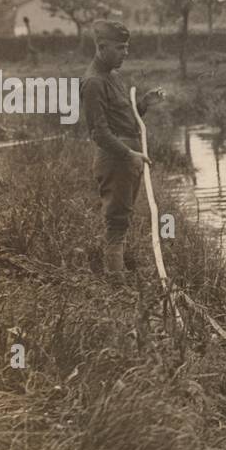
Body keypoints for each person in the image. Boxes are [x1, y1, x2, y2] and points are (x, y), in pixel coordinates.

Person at [79, 19, 165, 278]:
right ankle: (116, 282)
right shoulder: (94, 82)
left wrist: (144, 105)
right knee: (116, 222)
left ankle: (119, 273)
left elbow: (125, 121)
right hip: (116, 160)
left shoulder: (113, 76)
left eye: (127, 47)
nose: (125, 53)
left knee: (124, 217)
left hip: (128, 159)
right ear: (102, 47)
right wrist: (130, 154)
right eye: (120, 48)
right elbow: (99, 133)